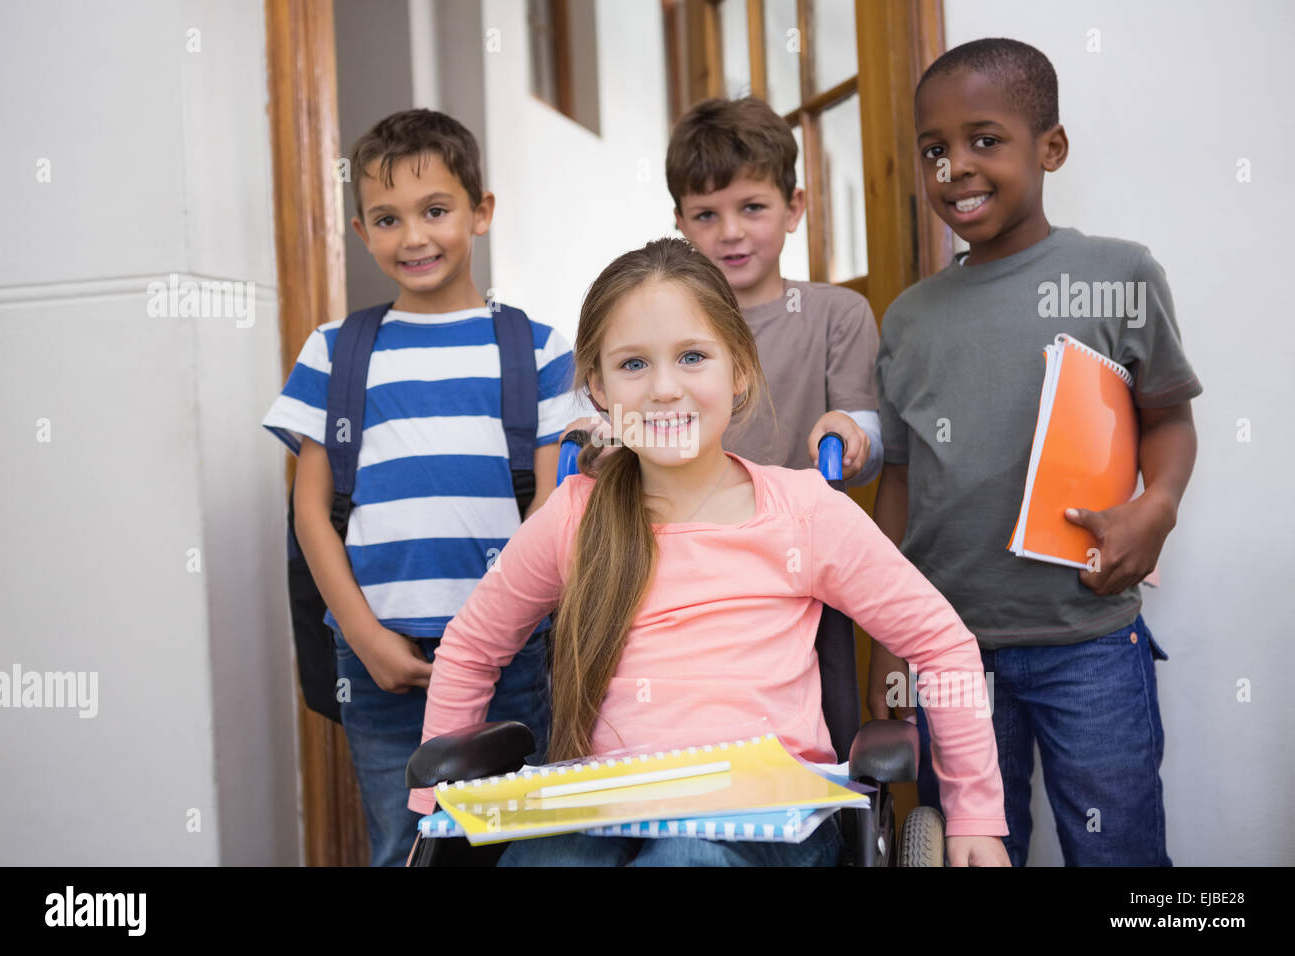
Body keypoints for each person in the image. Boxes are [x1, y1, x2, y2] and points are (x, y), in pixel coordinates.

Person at [408, 237, 1009, 867]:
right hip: (607, 807)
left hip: (777, 819)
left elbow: (941, 643)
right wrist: (431, 811)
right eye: (633, 365)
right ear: (598, 388)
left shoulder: (803, 511)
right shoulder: (575, 517)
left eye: (692, 356)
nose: (665, 389)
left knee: (685, 857)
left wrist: (974, 814)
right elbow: (471, 649)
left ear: (740, 368)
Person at [869, 38, 1200, 867]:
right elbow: (902, 479)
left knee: (1119, 854)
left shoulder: (1118, 273)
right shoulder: (909, 317)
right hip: (948, 653)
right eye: (934, 150)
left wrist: (1155, 509)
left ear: (1050, 147)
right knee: (975, 852)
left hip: (1088, 638)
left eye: (985, 140)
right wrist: (890, 650)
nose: (956, 168)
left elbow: (1167, 416)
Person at [263, 109, 580, 866]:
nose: (413, 237)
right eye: (386, 219)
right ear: (360, 229)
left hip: (509, 655)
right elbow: (311, 513)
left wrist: (499, 633)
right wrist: (366, 639)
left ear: (480, 213)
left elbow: (555, 505)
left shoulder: (535, 348)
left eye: (435, 211)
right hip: (381, 666)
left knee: (514, 843)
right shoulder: (335, 350)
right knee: (407, 846)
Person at [564, 97, 883, 484]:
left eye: (752, 207)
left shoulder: (839, 314)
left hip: (798, 533)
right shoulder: (650, 318)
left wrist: (849, 433)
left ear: (794, 207)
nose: (731, 232)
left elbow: (868, 445)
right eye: (706, 215)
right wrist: (604, 444)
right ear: (680, 222)